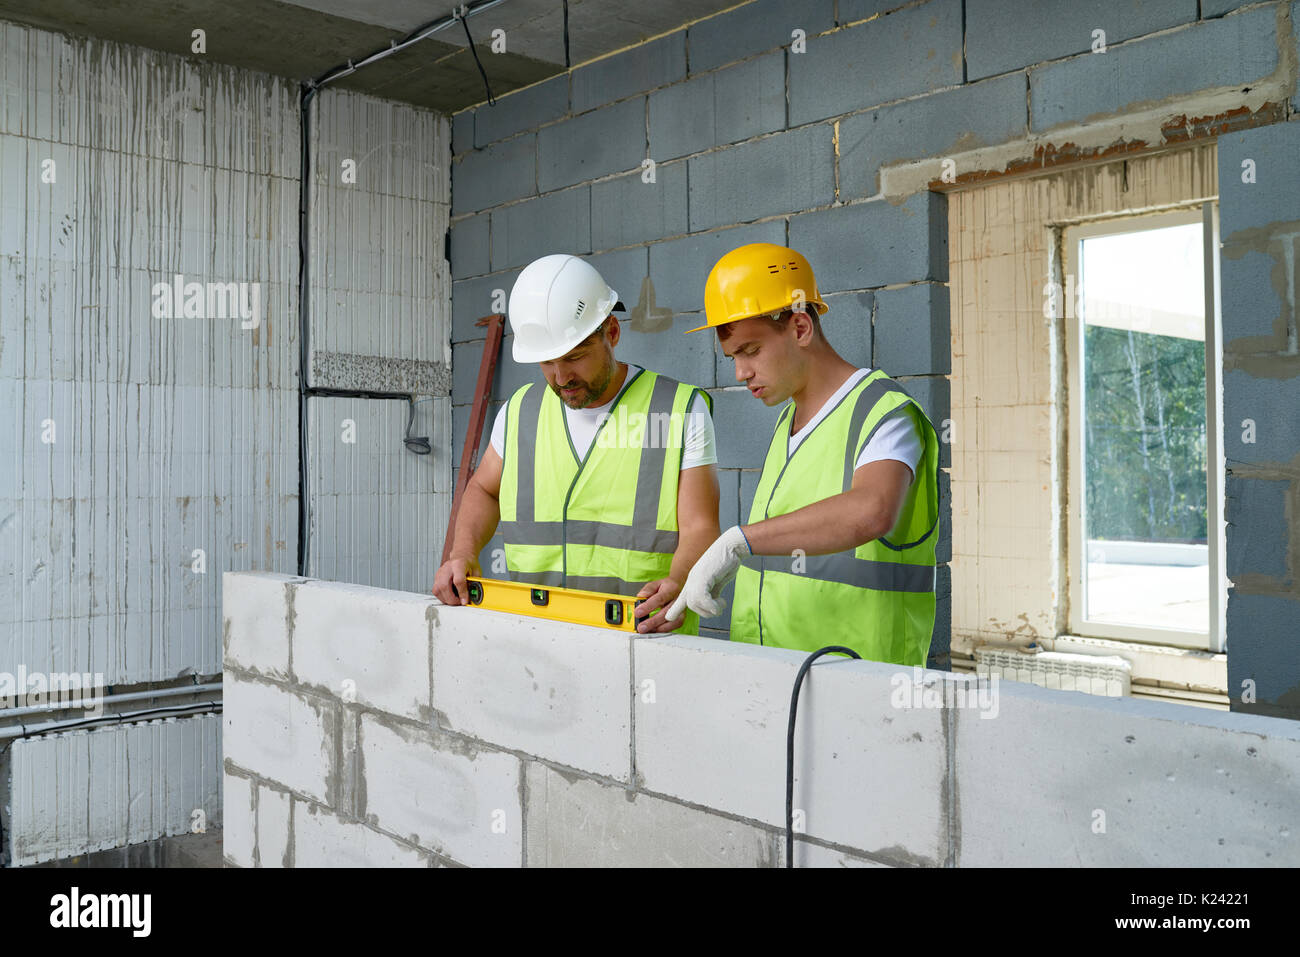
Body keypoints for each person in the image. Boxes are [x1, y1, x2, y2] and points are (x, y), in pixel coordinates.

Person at [665, 243, 940, 666]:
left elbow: (872, 510)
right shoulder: (787, 422)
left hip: (860, 690)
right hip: (775, 680)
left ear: (799, 328)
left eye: (751, 351)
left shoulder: (883, 413)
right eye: (733, 357)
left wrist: (738, 542)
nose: (740, 373)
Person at [433, 254, 721, 635]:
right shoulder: (520, 411)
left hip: (644, 638)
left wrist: (680, 579)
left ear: (612, 333)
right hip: (537, 637)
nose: (561, 376)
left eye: (575, 357)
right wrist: (462, 553)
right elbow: (484, 489)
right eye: (546, 363)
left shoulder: (679, 410)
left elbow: (701, 525)